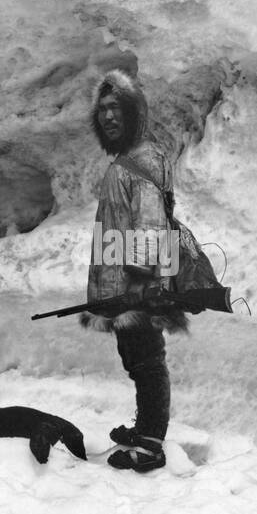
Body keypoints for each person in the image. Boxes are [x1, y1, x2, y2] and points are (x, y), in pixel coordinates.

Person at [82, 66, 185, 472]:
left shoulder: (143, 158)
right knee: (134, 355)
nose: (108, 116)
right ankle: (145, 426)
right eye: (102, 109)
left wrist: (141, 280)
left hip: (139, 284)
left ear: (133, 111)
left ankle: (151, 443)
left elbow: (150, 222)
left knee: (147, 359)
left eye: (116, 108)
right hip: (126, 282)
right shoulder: (129, 159)